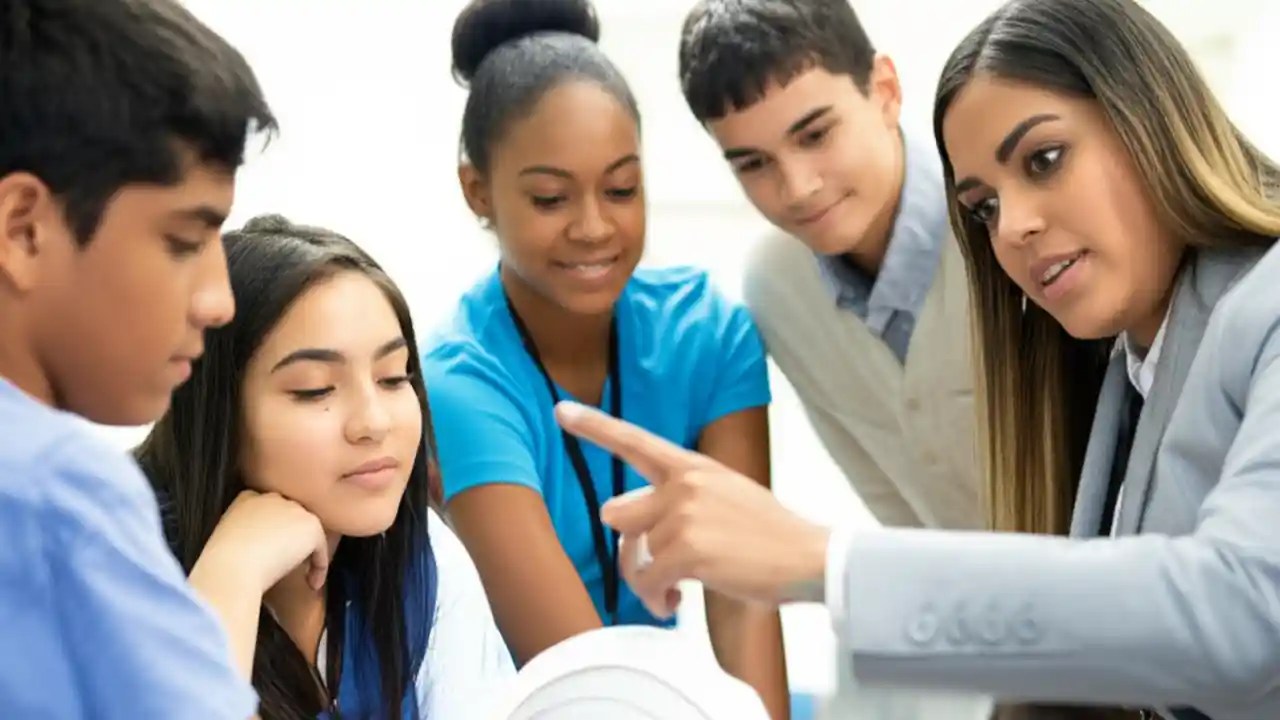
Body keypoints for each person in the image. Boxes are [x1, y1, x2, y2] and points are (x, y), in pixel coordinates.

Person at [554, 0, 1280, 718]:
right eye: (985, 208)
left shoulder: (1242, 306)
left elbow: (1243, 612)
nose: (1017, 227)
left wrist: (821, 563)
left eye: (1046, 159)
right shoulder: (1126, 349)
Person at [423, 0, 790, 716]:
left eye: (622, 188)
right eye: (551, 197)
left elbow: (745, 597)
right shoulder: (459, 379)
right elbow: (576, 673)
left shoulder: (707, 330)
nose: (594, 227)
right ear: (478, 190)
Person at [0, 1, 274, 717]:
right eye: (184, 243)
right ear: (23, 230)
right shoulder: (58, 494)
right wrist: (237, 572)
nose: (219, 301)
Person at [135, 215, 515, 720]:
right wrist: (232, 575)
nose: (374, 422)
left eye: (393, 377)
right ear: (215, 411)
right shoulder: (110, 564)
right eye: (315, 388)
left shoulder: (422, 559)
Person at [677, 0, 981, 531]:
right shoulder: (778, 288)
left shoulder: (1003, 219)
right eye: (753, 163)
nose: (798, 188)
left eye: (815, 135)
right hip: (966, 606)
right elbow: (902, 519)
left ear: (885, 91)